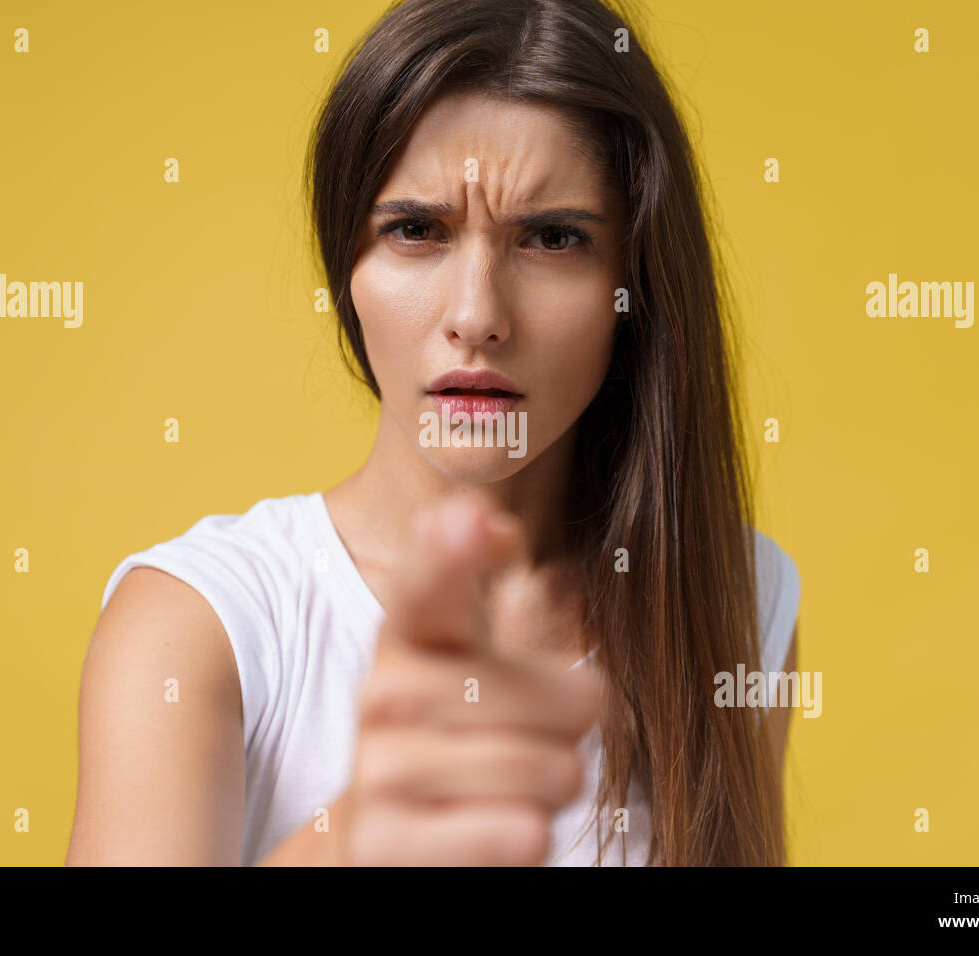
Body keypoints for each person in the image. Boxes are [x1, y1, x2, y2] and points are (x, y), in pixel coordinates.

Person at [65, 0, 801, 867]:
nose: (477, 315)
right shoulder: (194, 624)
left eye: (553, 238)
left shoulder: (738, 595)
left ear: (632, 291)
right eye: (416, 230)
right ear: (347, 269)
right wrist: (360, 837)